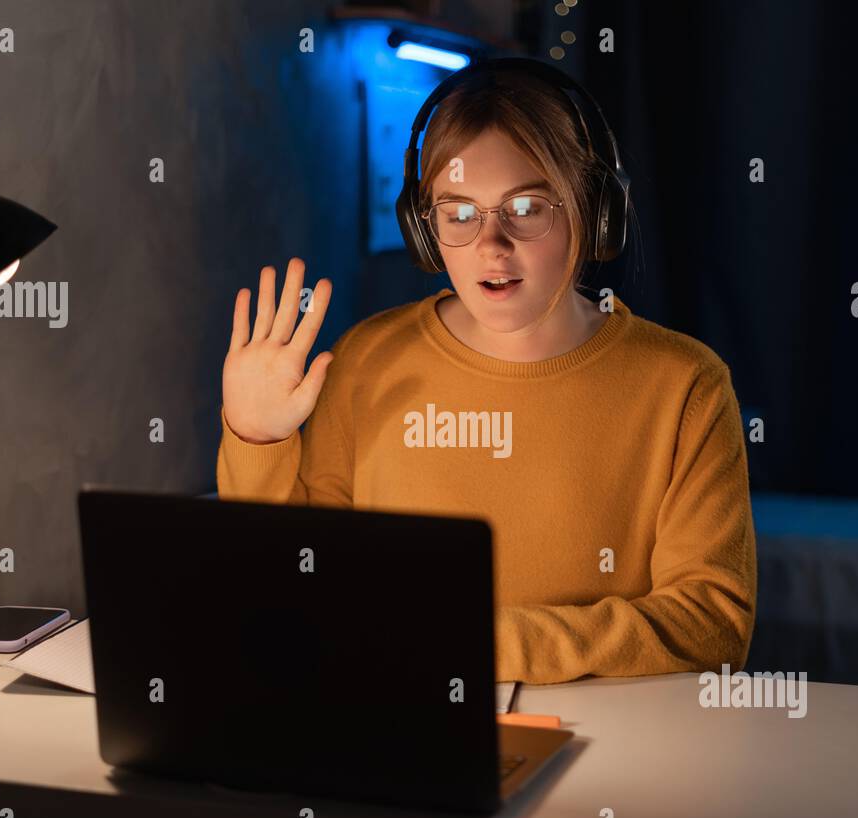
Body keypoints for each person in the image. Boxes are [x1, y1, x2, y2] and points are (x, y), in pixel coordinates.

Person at [217, 60, 756, 684]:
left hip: (608, 754)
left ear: (593, 210)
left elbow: (711, 625)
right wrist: (257, 438)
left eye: (526, 207)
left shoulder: (686, 385)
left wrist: (475, 643)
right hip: (394, 726)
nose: (491, 245)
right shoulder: (366, 360)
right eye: (460, 212)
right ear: (425, 230)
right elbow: (297, 585)